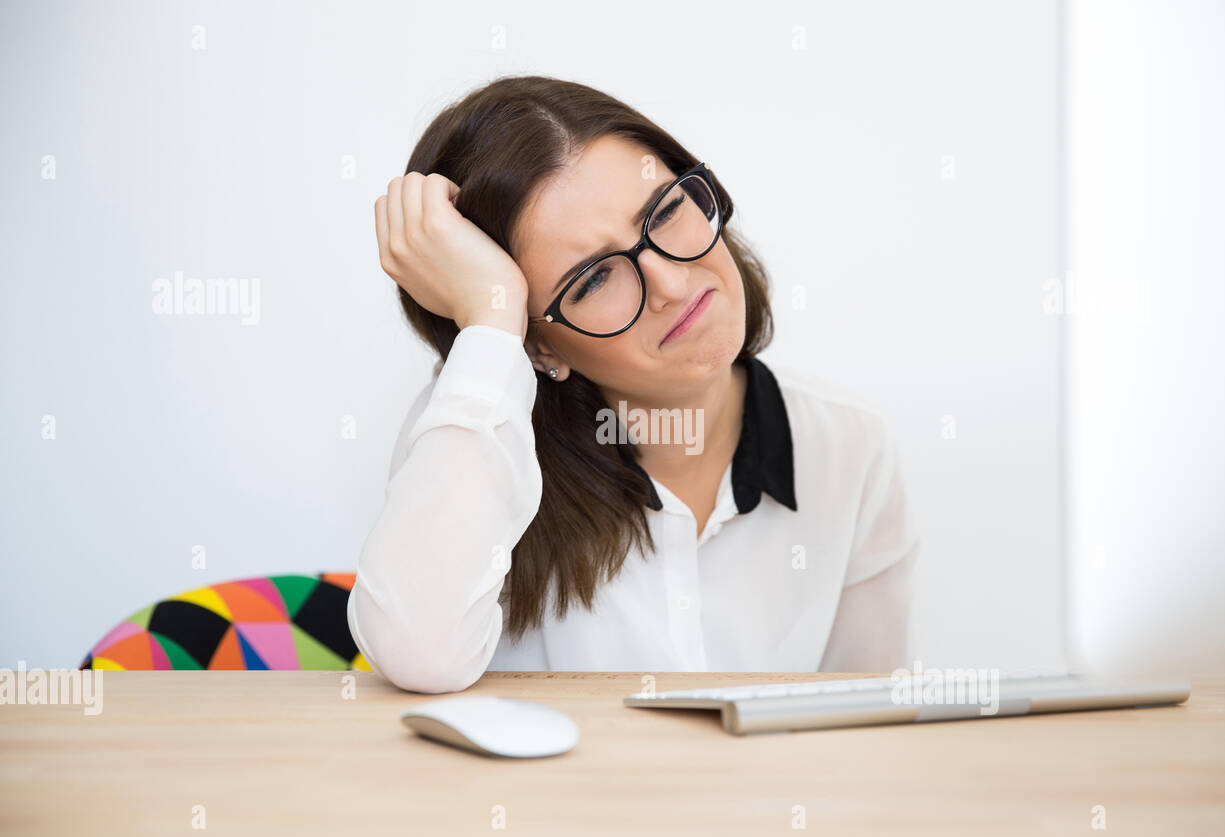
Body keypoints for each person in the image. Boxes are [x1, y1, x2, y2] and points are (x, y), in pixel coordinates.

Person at [348, 75, 920, 693]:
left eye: (666, 211)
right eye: (593, 281)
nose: (672, 286)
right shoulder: (473, 435)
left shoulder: (850, 446)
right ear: (537, 344)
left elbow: (868, 719)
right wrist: (489, 326)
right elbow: (419, 656)